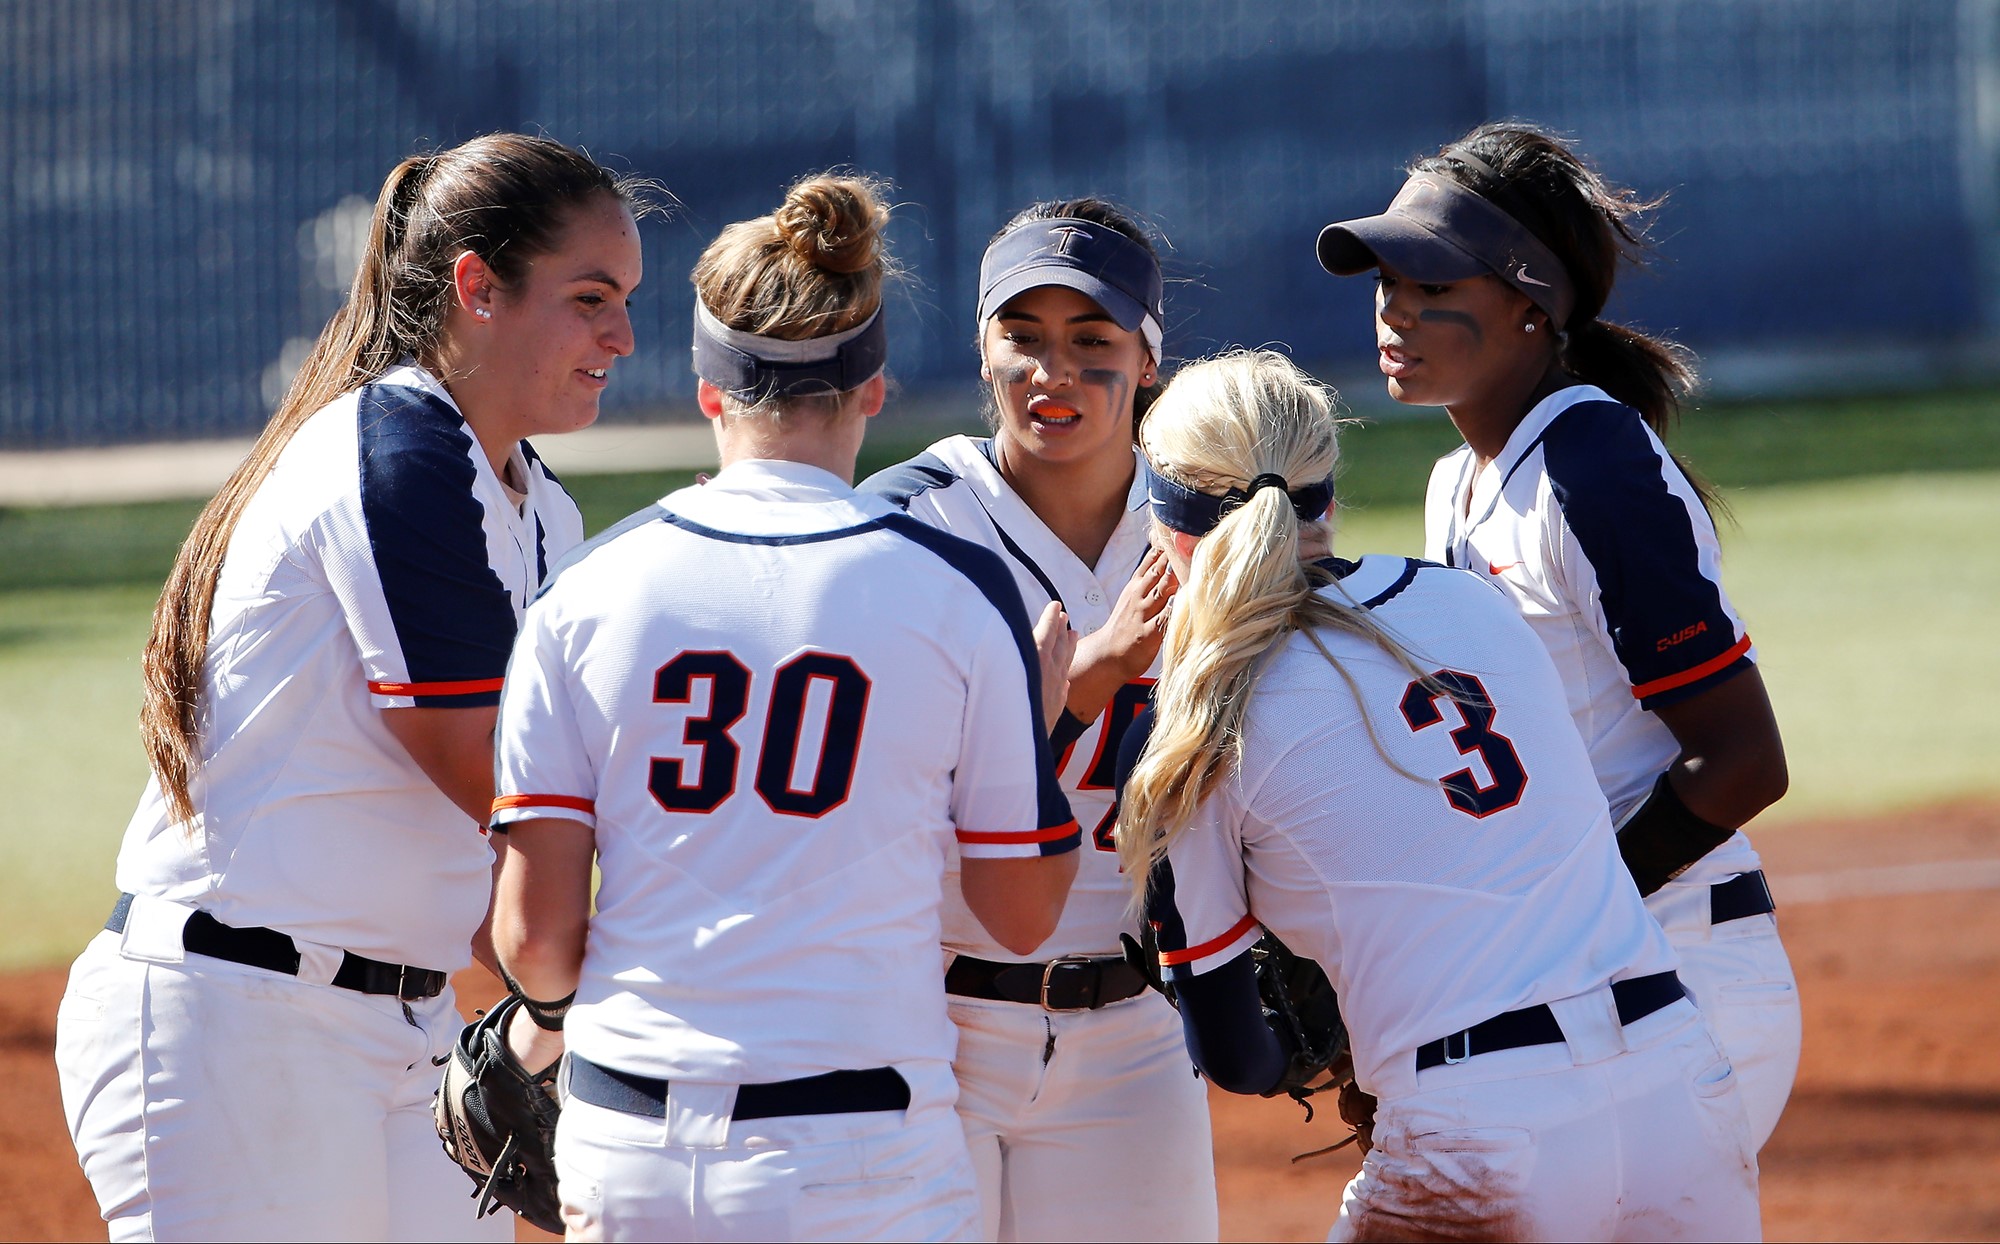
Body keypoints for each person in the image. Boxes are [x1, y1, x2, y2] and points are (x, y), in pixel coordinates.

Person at [52, 133, 651, 1240]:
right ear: (478, 287)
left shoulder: (542, 510)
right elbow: (487, 773)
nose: (620, 335)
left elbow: (498, 859)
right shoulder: (399, 452)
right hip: (236, 1021)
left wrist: (578, 1005)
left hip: (406, 1027)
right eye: (589, 298)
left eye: (624, 300)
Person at [486, 173, 1083, 1243]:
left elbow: (535, 944)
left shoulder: (581, 591)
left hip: (633, 1146)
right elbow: (1021, 914)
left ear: (708, 391)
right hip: (858, 1155)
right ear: (873, 389)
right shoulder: (958, 592)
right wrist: (1028, 734)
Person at [1117, 349, 1761, 1241]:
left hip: (1476, 1134)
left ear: (1163, 520)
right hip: (1679, 1084)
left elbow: (1237, 1058)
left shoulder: (1190, 728)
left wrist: (1331, 1047)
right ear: (1326, 496)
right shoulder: (1470, 601)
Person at [1315, 121, 1801, 1149]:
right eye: (1388, 281)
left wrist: (1544, 925)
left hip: (1678, 967)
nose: (1395, 308)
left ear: (1529, 304)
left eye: (1433, 285)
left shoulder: (1592, 467)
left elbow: (1742, 760)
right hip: (1576, 966)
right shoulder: (1459, 482)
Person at [862, 199, 1218, 1242]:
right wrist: (1074, 689)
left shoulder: (1209, 527)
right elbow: (877, 788)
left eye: (1091, 341)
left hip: (1138, 1028)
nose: (1051, 373)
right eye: (1021, 337)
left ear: (1148, 357)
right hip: (932, 1024)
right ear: (983, 350)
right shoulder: (907, 522)